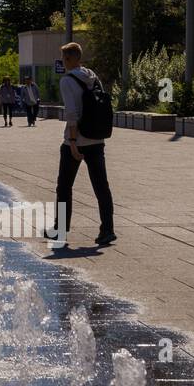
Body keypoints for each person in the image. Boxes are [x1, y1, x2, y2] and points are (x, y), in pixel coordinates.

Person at [47, 41, 116, 247]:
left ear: (69, 59)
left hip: (75, 142)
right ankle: (108, 230)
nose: (64, 62)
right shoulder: (92, 76)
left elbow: (71, 113)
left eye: (65, 58)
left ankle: (60, 230)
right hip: (97, 139)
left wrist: (74, 143)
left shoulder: (67, 81)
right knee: (101, 186)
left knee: (64, 186)